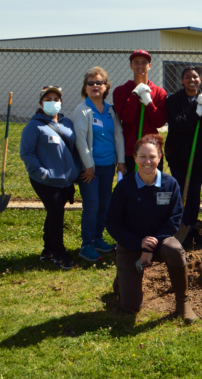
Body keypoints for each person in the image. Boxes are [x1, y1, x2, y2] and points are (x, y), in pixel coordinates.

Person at [106, 134, 197, 322]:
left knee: (175, 250)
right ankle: (123, 278)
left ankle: (183, 302)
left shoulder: (170, 184)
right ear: (135, 158)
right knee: (131, 308)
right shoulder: (124, 187)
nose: (147, 161)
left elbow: (174, 219)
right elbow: (113, 223)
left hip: (160, 240)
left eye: (152, 156)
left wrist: (150, 246)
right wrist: (139, 243)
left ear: (160, 157)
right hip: (131, 244)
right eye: (142, 156)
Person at [20, 86, 80, 270]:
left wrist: (75, 171)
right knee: (56, 214)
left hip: (65, 180)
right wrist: (42, 173)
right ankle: (60, 254)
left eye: (56, 99)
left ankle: (47, 249)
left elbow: (74, 147)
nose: (53, 102)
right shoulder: (34, 126)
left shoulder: (67, 123)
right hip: (45, 180)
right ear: (41, 103)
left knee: (54, 213)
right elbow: (27, 153)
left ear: (61, 103)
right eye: (48, 99)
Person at [71, 67, 125, 262]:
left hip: (108, 166)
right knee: (92, 206)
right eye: (91, 83)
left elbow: (118, 136)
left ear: (106, 87)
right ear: (85, 88)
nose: (95, 86)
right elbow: (81, 140)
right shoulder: (82, 110)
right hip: (90, 170)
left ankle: (97, 239)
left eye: (99, 83)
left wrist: (120, 161)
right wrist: (89, 166)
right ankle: (86, 245)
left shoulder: (111, 110)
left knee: (105, 204)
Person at [165, 66, 202, 244]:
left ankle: (192, 225)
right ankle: (181, 226)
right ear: (182, 80)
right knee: (181, 191)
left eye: (195, 77)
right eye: (187, 77)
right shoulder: (173, 100)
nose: (192, 80)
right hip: (179, 154)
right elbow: (178, 124)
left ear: (200, 80)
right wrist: (196, 113)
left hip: (199, 154)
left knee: (194, 192)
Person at [112, 50, 168, 176]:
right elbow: (127, 118)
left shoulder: (160, 92)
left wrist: (149, 103)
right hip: (130, 150)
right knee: (131, 188)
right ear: (130, 66)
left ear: (150, 65)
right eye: (136, 62)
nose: (140, 66)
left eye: (144, 62)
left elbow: (160, 122)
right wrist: (134, 95)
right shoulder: (120, 91)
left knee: (152, 186)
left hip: (152, 150)